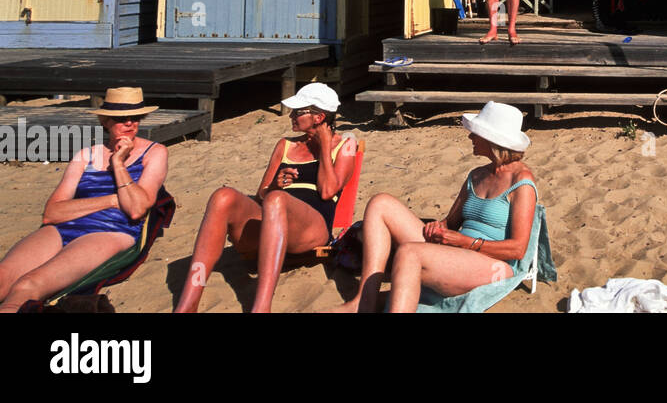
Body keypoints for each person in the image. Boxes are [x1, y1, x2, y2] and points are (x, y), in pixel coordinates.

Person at [330, 101, 538, 313]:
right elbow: (450, 223)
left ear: (492, 138)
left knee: (409, 253)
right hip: (458, 252)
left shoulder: (521, 182)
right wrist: (438, 228)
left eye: (475, 133)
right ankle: (365, 301)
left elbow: (517, 249)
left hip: (493, 264)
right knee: (380, 203)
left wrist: (466, 241)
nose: (470, 137)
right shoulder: (477, 175)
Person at [174, 82, 356, 313]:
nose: (291, 115)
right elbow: (262, 194)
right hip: (273, 218)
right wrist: (274, 185)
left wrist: (324, 146)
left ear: (319, 117)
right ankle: (188, 302)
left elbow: (328, 191)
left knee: (277, 200)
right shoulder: (285, 145)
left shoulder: (344, 146)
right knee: (222, 196)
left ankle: (261, 307)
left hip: (312, 228)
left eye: (298, 112)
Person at [0, 87, 168, 312]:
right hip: (64, 227)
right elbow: (52, 213)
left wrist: (118, 162)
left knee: (28, 284)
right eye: (121, 118)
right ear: (106, 121)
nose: (130, 123)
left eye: (135, 117)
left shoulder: (154, 153)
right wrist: (112, 200)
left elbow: (136, 209)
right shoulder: (86, 155)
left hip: (109, 231)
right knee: (2, 278)